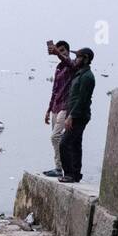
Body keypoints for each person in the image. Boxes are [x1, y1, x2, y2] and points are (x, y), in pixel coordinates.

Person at [58, 47, 96, 183]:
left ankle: (69, 174)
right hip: (74, 114)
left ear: (85, 59)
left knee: (64, 143)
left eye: (78, 57)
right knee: (75, 144)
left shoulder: (87, 77)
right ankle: (75, 174)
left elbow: (82, 99)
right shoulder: (80, 73)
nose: (76, 59)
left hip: (78, 116)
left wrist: (71, 116)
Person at [43, 40, 73, 178]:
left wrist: (58, 53)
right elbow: (54, 90)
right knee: (56, 139)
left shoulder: (71, 65)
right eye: (59, 51)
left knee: (56, 136)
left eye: (63, 51)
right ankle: (58, 167)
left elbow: (68, 62)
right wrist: (48, 109)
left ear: (67, 51)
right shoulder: (59, 68)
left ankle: (64, 167)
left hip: (65, 107)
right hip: (56, 106)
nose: (61, 53)